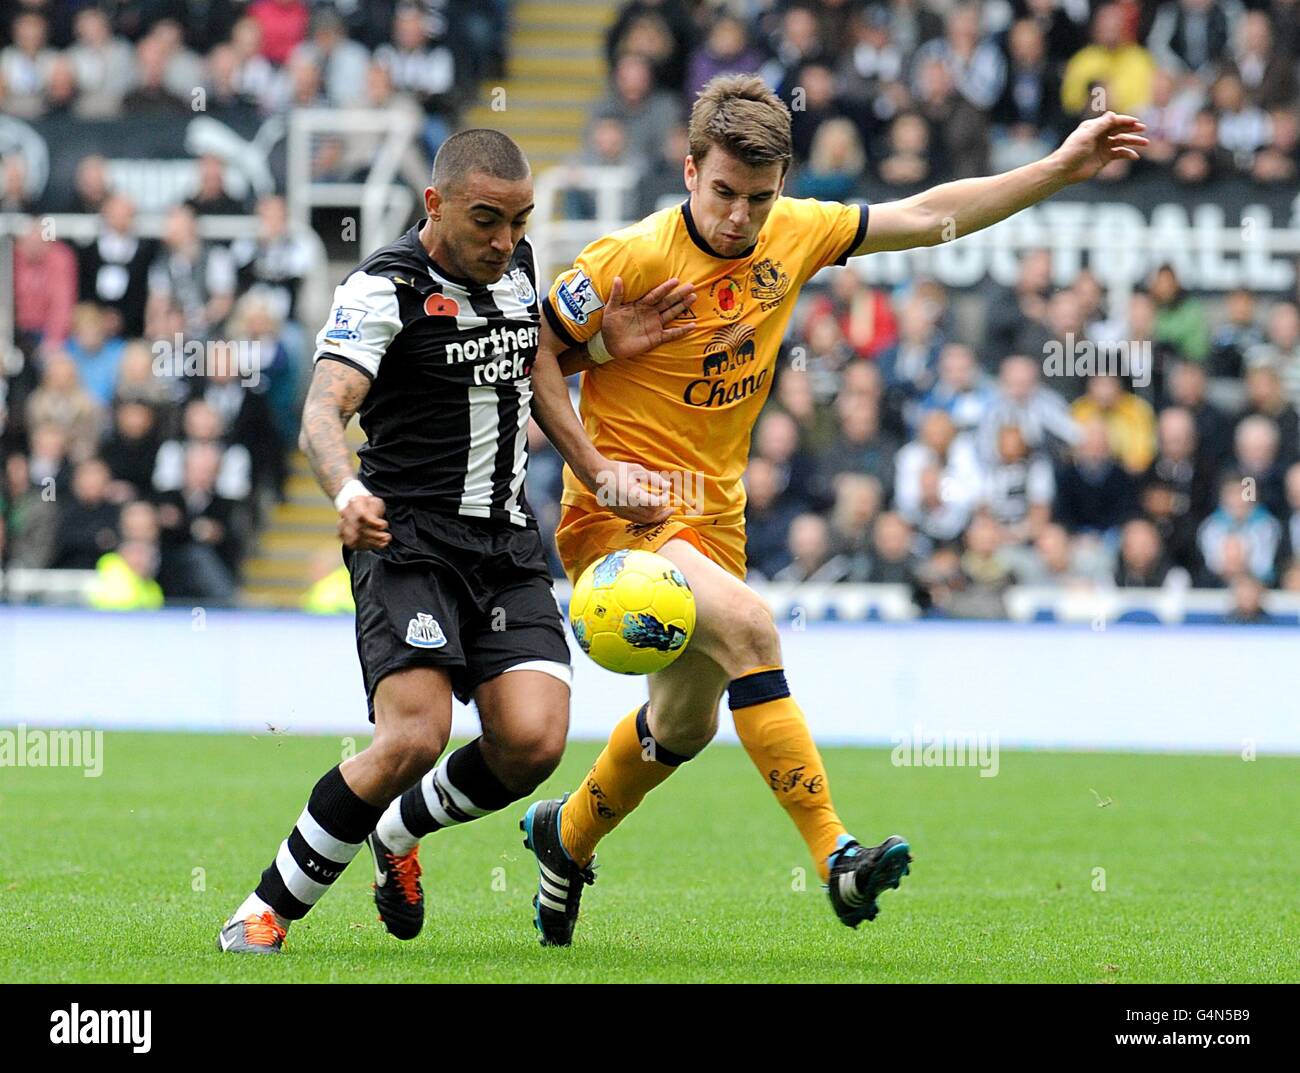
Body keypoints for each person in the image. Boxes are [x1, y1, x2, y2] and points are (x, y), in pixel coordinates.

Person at [511, 75, 1146, 945]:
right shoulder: (630, 257)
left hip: (714, 521)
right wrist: (593, 464)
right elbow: (534, 348)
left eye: (759, 198)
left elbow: (928, 215)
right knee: (754, 630)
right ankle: (838, 859)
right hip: (620, 518)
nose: (738, 217)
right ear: (690, 168)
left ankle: (564, 835)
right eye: (724, 192)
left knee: (685, 723)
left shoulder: (797, 232)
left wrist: (1056, 170)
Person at [215, 129, 687, 954]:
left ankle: (395, 833)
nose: (504, 241)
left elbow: (532, 355)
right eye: (486, 221)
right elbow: (324, 410)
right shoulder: (381, 289)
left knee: (534, 740)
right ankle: (264, 911)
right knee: (413, 736)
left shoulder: (519, 265)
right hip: (406, 538)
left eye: (519, 220)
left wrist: (597, 458)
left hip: (505, 545)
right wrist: (347, 490)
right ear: (435, 205)